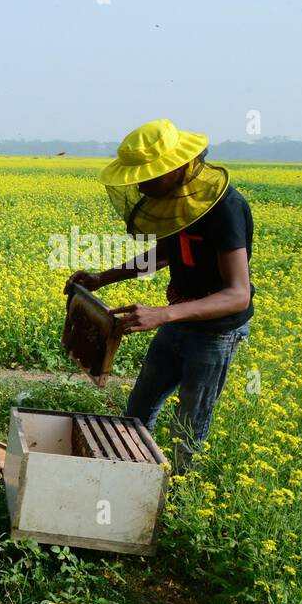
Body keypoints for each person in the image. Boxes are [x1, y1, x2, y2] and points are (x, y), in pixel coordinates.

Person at [65, 119, 253, 472]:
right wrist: (102, 278)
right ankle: (130, 477)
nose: (141, 184)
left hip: (216, 331)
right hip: (178, 316)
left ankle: (177, 499)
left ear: (178, 167)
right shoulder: (179, 202)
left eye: (149, 174)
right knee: (139, 407)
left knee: (188, 424)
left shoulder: (225, 209)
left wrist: (162, 315)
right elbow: (164, 252)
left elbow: (238, 294)